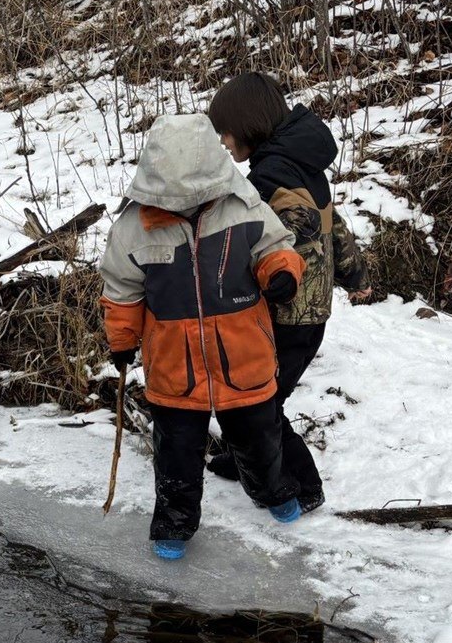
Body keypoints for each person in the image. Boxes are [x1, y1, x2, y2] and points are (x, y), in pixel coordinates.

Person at [98, 113, 306, 561]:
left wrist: (281, 273)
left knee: (260, 439)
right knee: (175, 457)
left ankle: (274, 491)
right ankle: (174, 522)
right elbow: (121, 291)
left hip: (244, 356)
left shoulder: (243, 204)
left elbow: (276, 246)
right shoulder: (133, 226)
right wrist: (121, 340)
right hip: (173, 367)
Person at [206, 74, 371, 514]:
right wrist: (355, 274)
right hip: (308, 314)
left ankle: (303, 484)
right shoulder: (298, 162)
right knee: (259, 398)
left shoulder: (271, 174)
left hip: (289, 315)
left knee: (262, 403)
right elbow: (332, 224)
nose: (223, 141)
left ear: (247, 124)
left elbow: (293, 233)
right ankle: (249, 460)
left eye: (225, 131)